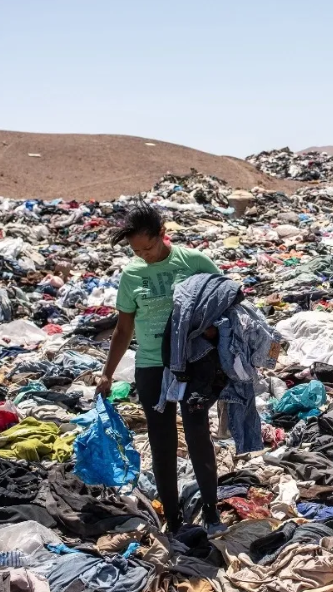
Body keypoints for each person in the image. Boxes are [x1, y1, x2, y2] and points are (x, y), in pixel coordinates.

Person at [96, 202, 225, 534]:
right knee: (161, 441)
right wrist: (107, 372)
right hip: (151, 366)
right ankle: (173, 516)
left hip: (194, 364)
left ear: (163, 235)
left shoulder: (194, 262)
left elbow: (226, 305)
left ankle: (211, 511)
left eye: (148, 247)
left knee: (198, 435)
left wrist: (212, 328)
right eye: (136, 251)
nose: (144, 255)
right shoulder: (131, 274)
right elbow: (124, 330)